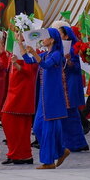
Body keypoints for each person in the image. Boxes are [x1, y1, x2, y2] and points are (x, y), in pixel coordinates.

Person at [32, 27, 72, 169]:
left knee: (48, 129)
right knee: (37, 127)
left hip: (52, 96)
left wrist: (33, 53)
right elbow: (29, 60)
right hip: (44, 96)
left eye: (45, 36)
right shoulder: (45, 54)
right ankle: (61, 150)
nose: (43, 39)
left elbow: (45, 66)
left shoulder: (56, 55)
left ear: (52, 39)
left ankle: (48, 161)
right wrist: (20, 44)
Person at [0, 31, 37, 165]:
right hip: (13, 90)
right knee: (10, 122)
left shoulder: (31, 51)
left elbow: (29, 71)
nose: (16, 36)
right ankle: (15, 153)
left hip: (22, 92)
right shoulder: (16, 49)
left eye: (19, 33)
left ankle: (23, 155)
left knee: (19, 125)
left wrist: (15, 63)